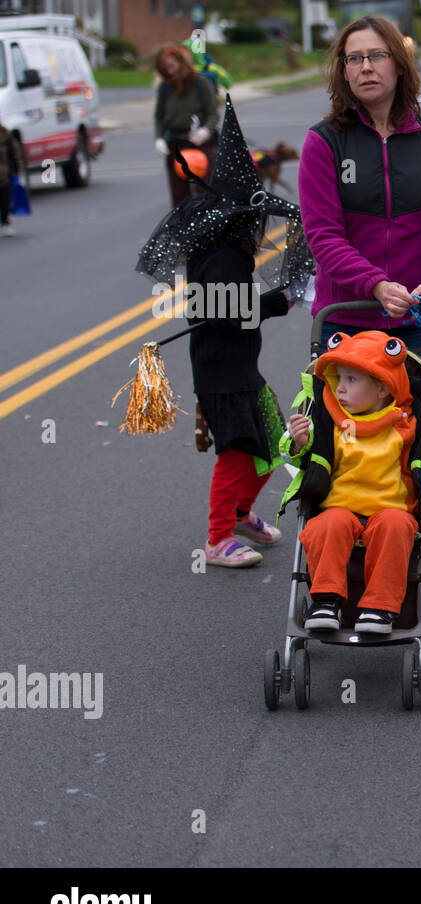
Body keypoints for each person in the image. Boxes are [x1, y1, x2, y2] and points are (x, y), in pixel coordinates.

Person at [135, 97, 316, 568]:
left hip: (240, 367)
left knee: (273, 440)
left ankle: (239, 514)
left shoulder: (224, 247)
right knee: (238, 451)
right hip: (222, 373)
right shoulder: (224, 255)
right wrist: (280, 302)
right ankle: (217, 540)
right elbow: (228, 313)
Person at [286, 331, 421, 634]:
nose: (339, 388)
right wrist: (297, 442)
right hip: (340, 506)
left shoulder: (409, 423)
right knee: (326, 526)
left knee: (396, 526)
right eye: (339, 378)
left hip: (392, 509)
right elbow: (296, 454)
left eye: (351, 380)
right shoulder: (331, 420)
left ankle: (380, 606)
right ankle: (326, 600)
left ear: (383, 388)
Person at [300, 14, 421, 357]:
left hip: (419, 321)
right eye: (354, 58)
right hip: (344, 322)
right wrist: (376, 285)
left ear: (399, 64)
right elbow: (324, 235)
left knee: (420, 413)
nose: (366, 67)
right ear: (344, 70)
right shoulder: (323, 142)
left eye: (377, 55)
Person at [153, 46, 219, 207]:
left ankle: (207, 223)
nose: (169, 72)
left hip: (199, 142)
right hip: (176, 142)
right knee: (179, 193)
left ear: (181, 63)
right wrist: (159, 138)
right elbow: (159, 116)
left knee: (204, 188)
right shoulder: (165, 88)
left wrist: (205, 131)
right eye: (164, 70)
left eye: (171, 67)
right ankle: (183, 226)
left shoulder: (201, 83)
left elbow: (213, 113)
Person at [1, 122, 21, 238]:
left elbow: (14, 152)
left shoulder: (4, 132)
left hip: (4, 175)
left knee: (4, 201)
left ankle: (5, 222)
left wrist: (17, 171)